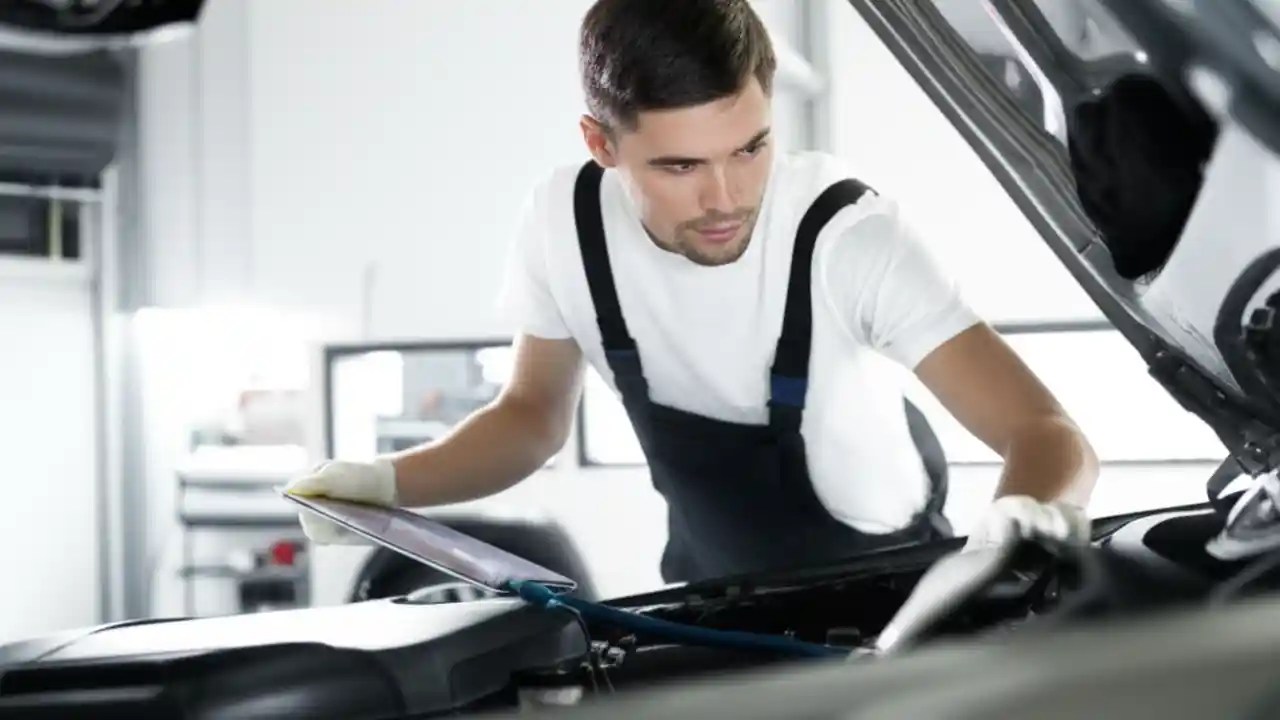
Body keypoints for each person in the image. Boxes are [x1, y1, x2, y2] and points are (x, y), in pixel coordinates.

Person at [287, 0, 1099, 584]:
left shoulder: (847, 236)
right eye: (680, 166)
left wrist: (1008, 548)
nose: (726, 198)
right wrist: (385, 486)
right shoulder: (563, 226)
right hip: (709, 598)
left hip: (894, 590)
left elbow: (1047, 433)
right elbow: (531, 419)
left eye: (751, 148)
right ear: (600, 142)